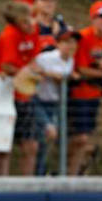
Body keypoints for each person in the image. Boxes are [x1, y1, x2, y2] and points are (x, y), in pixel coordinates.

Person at [69, 1, 102, 175]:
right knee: (81, 137)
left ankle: (74, 171)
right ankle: (71, 171)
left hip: (96, 94)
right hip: (78, 92)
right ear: (93, 18)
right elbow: (81, 68)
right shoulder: (84, 37)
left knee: (84, 136)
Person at [0, 1, 41, 175]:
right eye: (24, 22)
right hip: (7, 96)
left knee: (31, 145)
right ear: (16, 22)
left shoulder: (33, 31)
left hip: (25, 96)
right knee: (4, 146)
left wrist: (32, 71)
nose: (29, 25)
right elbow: (6, 66)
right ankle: (0, 188)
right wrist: (27, 72)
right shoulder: (9, 35)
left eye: (30, 20)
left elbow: (34, 58)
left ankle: (28, 186)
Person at [33, 27, 81, 175]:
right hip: (39, 100)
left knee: (53, 139)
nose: (71, 45)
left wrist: (70, 78)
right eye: (67, 42)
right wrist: (50, 74)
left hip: (56, 103)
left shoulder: (71, 61)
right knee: (49, 134)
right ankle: (39, 174)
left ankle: (45, 171)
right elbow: (32, 68)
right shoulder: (46, 57)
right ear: (58, 43)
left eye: (73, 42)